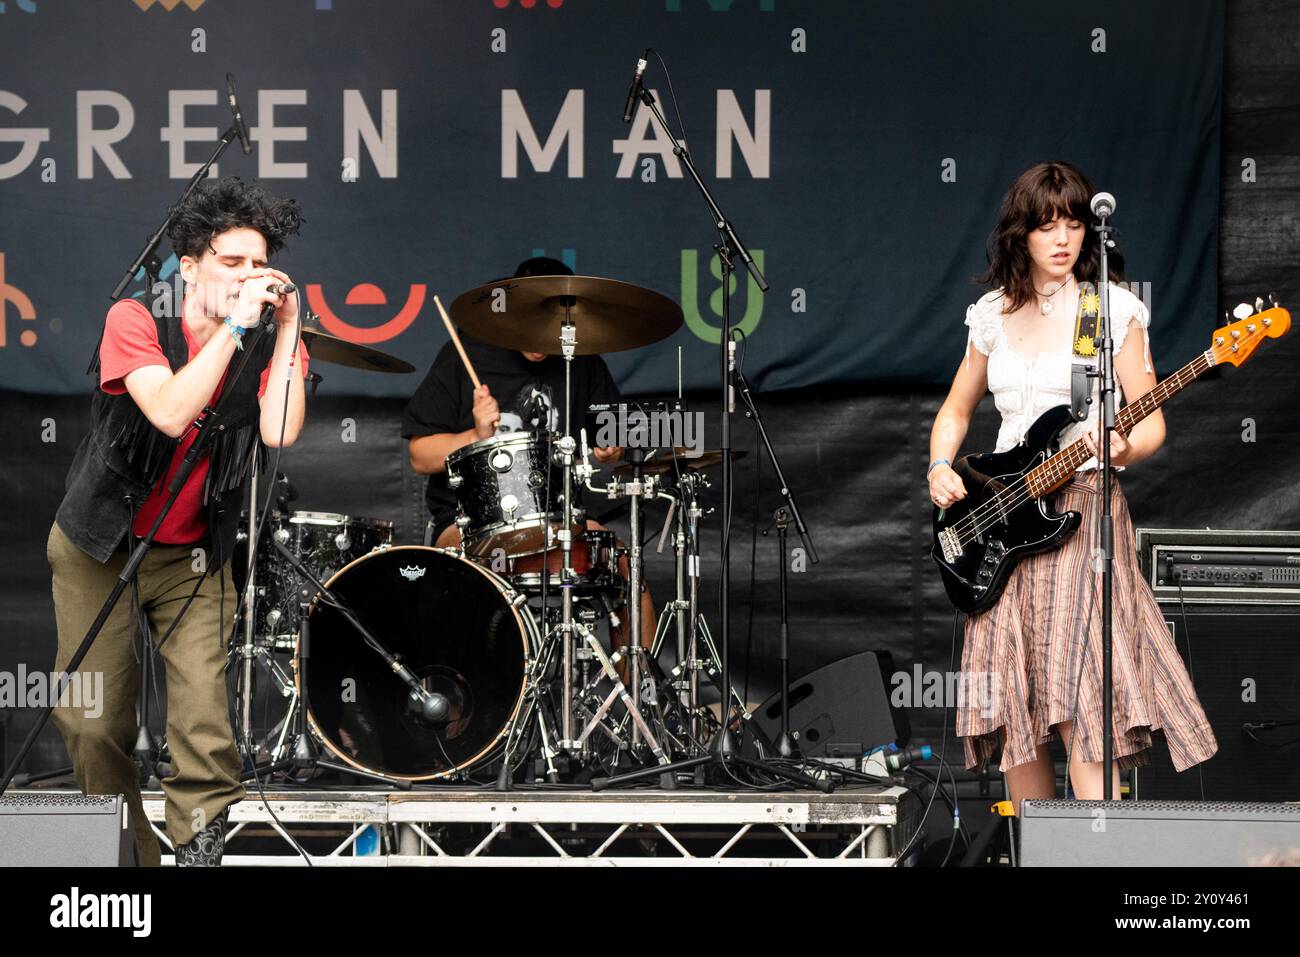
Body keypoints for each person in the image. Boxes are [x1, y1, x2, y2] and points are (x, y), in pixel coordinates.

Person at [927, 161, 1217, 811]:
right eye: (1047, 224)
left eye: (1075, 222)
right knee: (1016, 711)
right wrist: (940, 466)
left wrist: (1124, 447)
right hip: (1001, 518)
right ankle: (1037, 851)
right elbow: (954, 409)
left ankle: (1099, 855)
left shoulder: (1112, 309)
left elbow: (1151, 421)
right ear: (1019, 235)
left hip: (1081, 511)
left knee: (1086, 706)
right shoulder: (991, 316)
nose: (1064, 237)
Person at [47, 177, 309, 865]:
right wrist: (233, 330)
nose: (251, 277)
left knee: (203, 721)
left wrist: (285, 333)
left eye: (261, 265)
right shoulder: (133, 322)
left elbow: (279, 429)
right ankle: (120, 864)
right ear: (188, 267)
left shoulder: (265, 339)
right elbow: (166, 410)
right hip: (99, 546)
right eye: (233, 262)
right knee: (91, 722)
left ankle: (199, 850)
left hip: (192, 553)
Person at [402, 257, 656, 657]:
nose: (542, 340)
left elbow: (611, 444)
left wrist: (611, 449)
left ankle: (637, 710)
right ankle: (458, 713)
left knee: (628, 570)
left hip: (561, 521)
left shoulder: (583, 363)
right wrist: (475, 434)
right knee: (451, 584)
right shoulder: (464, 353)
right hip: (473, 526)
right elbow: (419, 455)